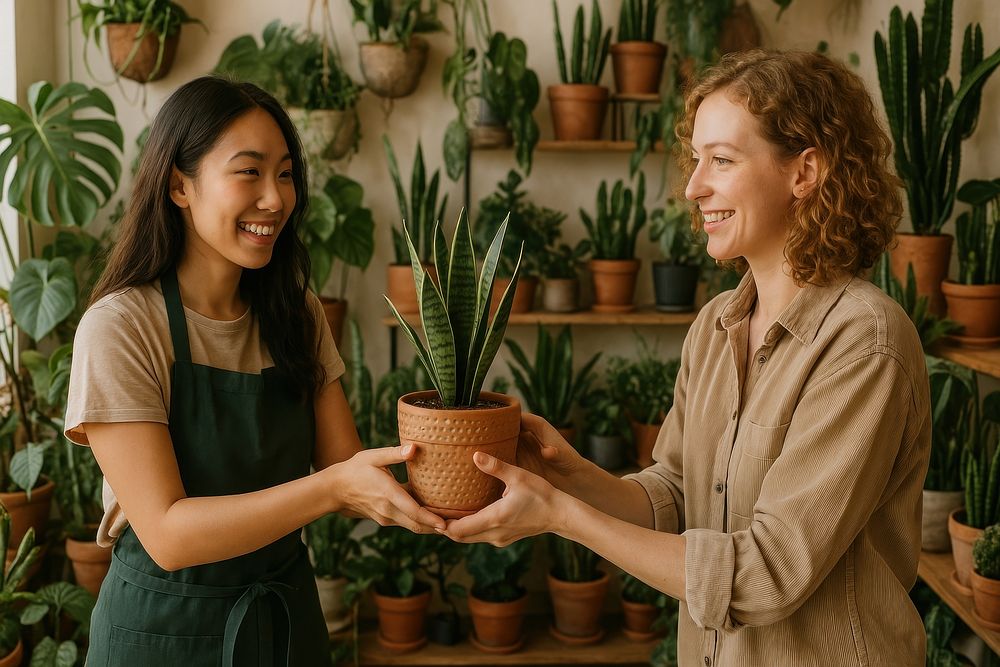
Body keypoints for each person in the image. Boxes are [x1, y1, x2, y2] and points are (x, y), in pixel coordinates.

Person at [444, 49, 931, 666]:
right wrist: (565, 476)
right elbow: (675, 495)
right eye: (696, 159)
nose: (693, 186)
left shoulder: (864, 343)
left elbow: (766, 574)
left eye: (721, 161)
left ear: (804, 171)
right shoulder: (714, 327)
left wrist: (561, 517)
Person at [64, 76, 445, 666]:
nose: (276, 198)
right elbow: (168, 535)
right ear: (179, 185)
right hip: (162, 633)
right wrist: (334, 488)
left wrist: (467, 469)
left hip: (285, 626)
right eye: (249, 172)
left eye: (287, 173)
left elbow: (348, 474)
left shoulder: (296, 313)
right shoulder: (122, 327)